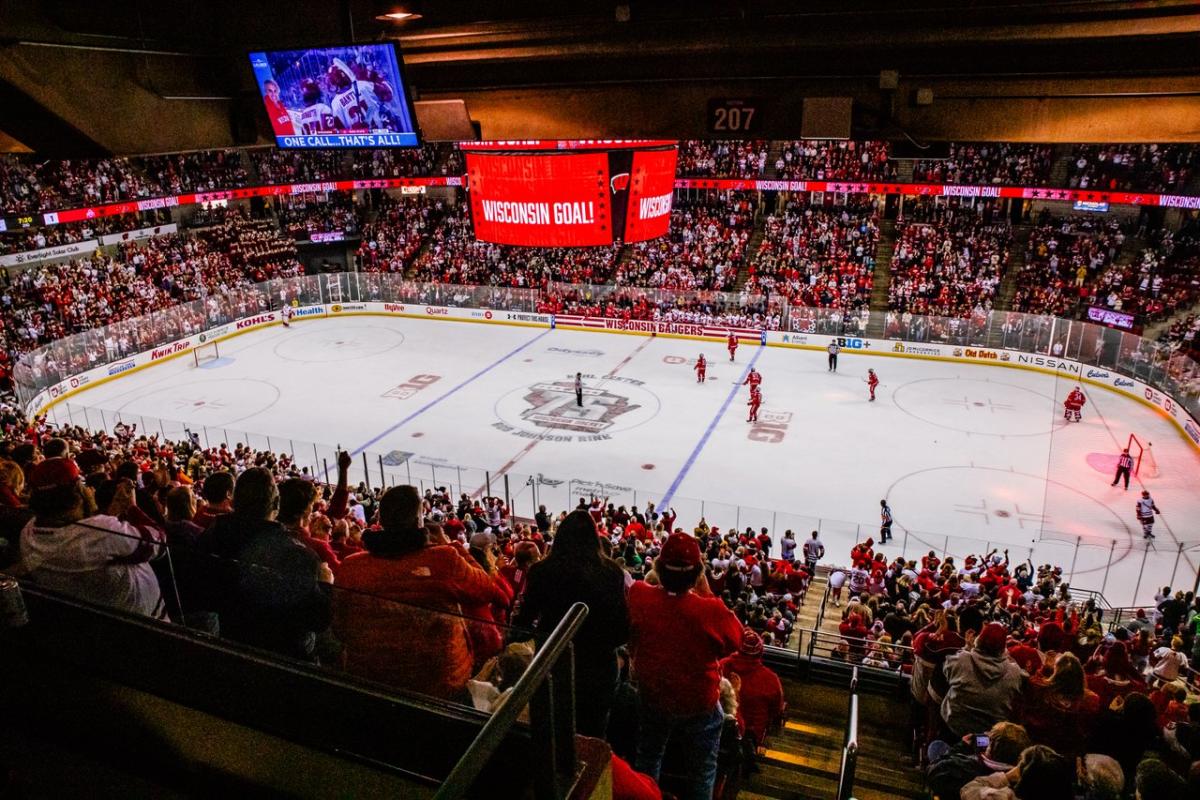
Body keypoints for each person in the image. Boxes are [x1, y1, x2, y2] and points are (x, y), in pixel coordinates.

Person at [334, 485, 510, 700]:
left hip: (370, 684)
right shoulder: (444, 559)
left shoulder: (351, 567)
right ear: (419, 520)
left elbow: (340, 629)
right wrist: (452, 545)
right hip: (441, 687)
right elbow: (489, 591)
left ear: (380, 519)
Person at [628, 532, 743, 800]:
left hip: (652, 695)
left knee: (648, 757)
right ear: (698, 574)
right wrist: (704, 591)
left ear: (657, 568)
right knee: (703, 770)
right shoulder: (710, 610)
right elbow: (736, 639)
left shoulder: (638, 595)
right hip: (698, 703)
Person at [513, 510, 629, 737]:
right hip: (598, 669)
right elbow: (621, 631)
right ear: (595, 539)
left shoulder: (541, 572)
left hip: (553, 663)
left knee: (555, 729)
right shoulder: (612, 573)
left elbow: (523, 623)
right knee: (593, 734)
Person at [198, 467, 333, 661]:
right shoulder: (298, 554)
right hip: (283, 657)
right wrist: (325, 584)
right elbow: (318, 620)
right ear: (276, 505)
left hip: (229, 641)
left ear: (234, 501)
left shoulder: (212, 535)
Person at [17, 458, 168, 620]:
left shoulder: (29, 533)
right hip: (147, 623)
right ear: (77, 491)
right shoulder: (101, 532)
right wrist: (131, 506)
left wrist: (111, 513)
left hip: (97, 622)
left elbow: (88, 540)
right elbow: (159, 542)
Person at [940, 622, 1025, 738]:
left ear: (978, 640)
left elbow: (946, 671)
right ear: (1003, 648)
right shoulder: (1015, 672)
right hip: (989, 735)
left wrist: (968, 648)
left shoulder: (961, 660)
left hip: (955, 727)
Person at [719, 630, 785, 748]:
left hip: (717, 732)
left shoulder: (720, 667)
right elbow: (776, 710)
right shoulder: (771, 679)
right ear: (760, 652)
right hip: (751, 739)